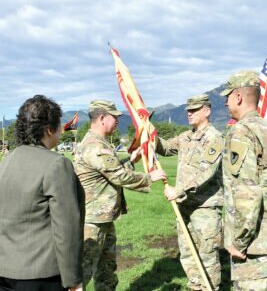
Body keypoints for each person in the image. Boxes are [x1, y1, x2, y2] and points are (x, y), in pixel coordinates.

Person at [73, 100, 166, 290]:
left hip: (103, 218)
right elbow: (117, 175)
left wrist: (130, 161)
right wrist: (149, 177)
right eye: (114, 117)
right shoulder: (94, 145)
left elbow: (107, 173)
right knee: (82, 274)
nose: (117, 121)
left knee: (106, 270)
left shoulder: (100, 143)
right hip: (93, 221)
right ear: (101, 118)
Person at [0, 95, 84, 291]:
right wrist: (73, 280)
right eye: (59, 126)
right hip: (42, 276)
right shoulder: (56, 164)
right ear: (48, 130)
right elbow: (67, 227)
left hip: (5, 271)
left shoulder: (7, 162)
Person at [220, 71, 267, 290]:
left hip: (255, 244)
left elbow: (247, 193)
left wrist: (239, 242)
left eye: (228, 96)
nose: (225, 103)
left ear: (239, 97)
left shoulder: (241, 132)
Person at [160, 94, 224, 290]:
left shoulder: (215, 138)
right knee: (187, 253)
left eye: (195, 109)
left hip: (204, 207)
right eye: (188, 110)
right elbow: (165, 148)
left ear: (207, 111)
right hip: (184, 205)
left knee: (207, 255)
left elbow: (206, 171)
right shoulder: (186, 136)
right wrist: (149, 136)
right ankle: (195, 286)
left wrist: (178, 190)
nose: (189, 113)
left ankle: (209, 288)